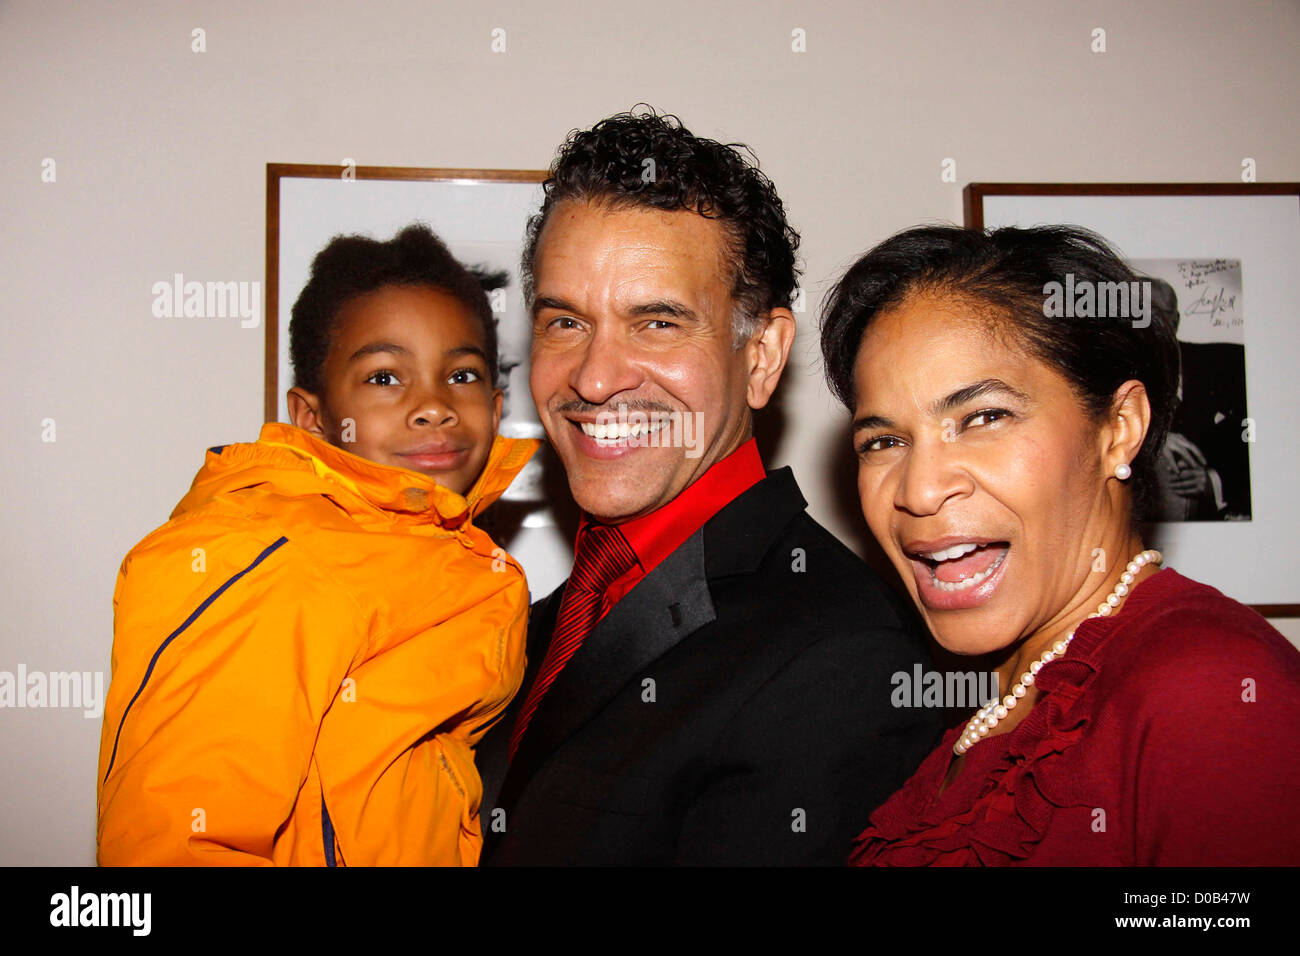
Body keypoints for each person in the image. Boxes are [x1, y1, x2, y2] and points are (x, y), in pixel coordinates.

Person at [476, 110, 943, 866]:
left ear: (761, 357)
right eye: (565, 322)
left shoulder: (844, 658)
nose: (595, 378)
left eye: (656, 323)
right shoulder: (525, 625)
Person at [818, 224, 1300, 865]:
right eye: (883, 441)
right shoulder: (995, 703)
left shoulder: (1207, 690)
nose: (920, 490)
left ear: (1118, 428)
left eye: (983, 418)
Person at [97, 224, 537, 865]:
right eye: (385, 378)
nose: (434, 406)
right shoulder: (269, 556)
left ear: (496, 408)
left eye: (462, 374)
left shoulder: (447, 561)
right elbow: (175, 841)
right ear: (312, 417)